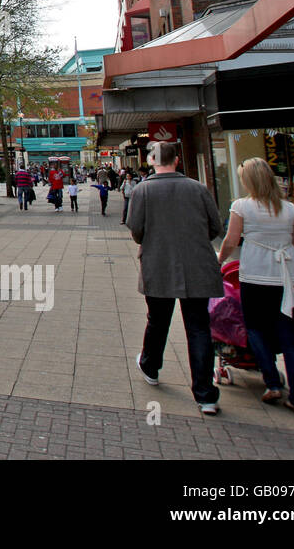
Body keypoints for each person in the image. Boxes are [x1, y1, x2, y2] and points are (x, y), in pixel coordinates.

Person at [125, 141, 223, 415]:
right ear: (177, 160)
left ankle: (150, 365)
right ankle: (205, 395)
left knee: (157, 320)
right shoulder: (198, 188)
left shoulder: (143, 190)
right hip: (197, 266)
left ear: (152, 161)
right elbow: (215, 226)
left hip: (158, 264)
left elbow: (136, 229)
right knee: (198, 327)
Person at [216, 157, 294, 417]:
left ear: (249, 181)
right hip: (290, 279)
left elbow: (231, 240)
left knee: (255, 329)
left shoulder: (242, 206)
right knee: (291, 339)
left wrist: (220, 259)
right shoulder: (290, 209)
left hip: (257, 278)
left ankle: (272, 382)